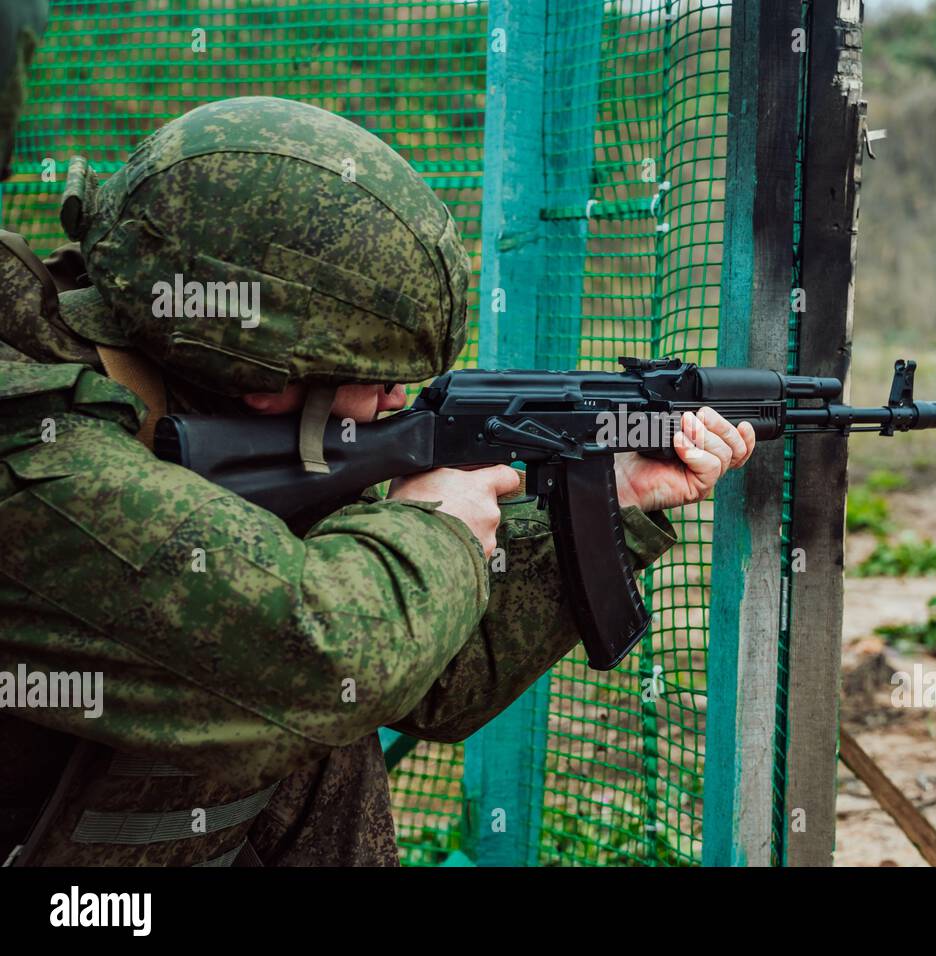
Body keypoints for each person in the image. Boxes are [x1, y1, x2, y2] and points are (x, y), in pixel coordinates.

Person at [0, 93, 756, 865]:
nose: (399, 401)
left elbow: (430, 676)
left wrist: (619, 497)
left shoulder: (208, 404)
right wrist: (434, 525)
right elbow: (327, 660)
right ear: (269, 379)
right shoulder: (38, 448)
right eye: (379, 379)